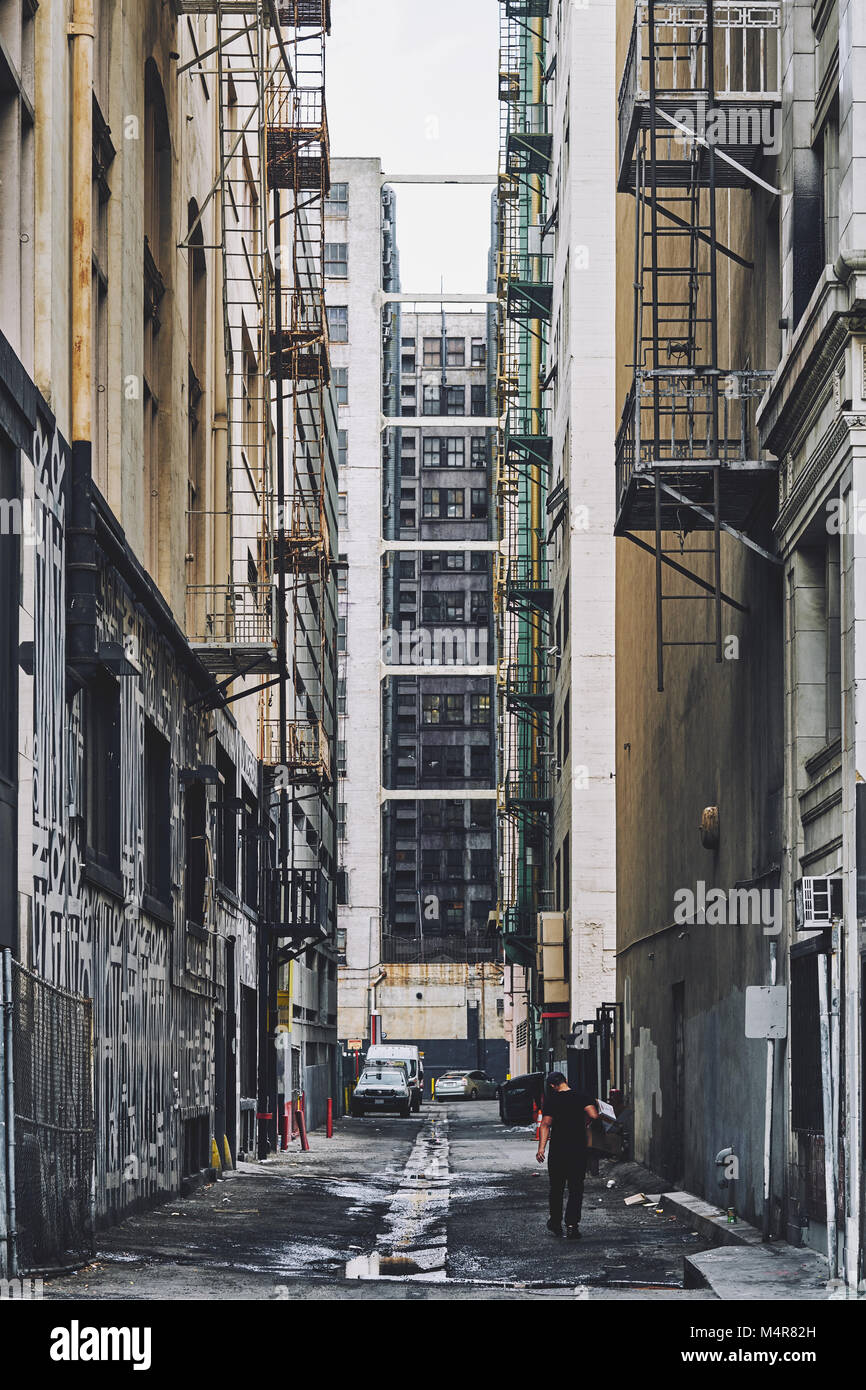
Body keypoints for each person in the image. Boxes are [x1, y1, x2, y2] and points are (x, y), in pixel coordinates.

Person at [536, 1072, 599, 1239]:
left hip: (558, 1150)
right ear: (565, 1081)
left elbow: (545, 1125)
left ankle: (555, 1223)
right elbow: (594, 1115)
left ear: (552, 1086)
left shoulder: (552, 1100)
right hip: (578, 1149)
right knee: (575, 1188)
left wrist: (541, 1148)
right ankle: (572, 1225)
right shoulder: (581, 1096)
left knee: (556, 1188)